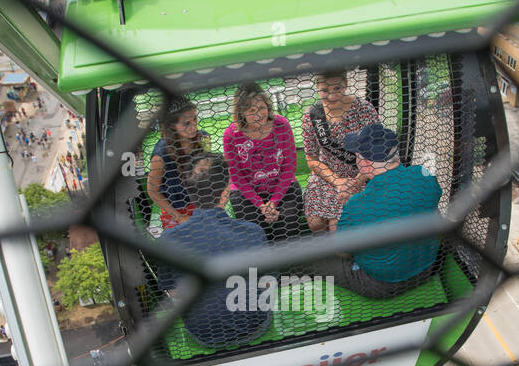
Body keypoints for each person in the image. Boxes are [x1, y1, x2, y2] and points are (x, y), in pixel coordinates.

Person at [154, 153, 272, 348]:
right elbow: (267, 284)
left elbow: (174, 293)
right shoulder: (253, 232)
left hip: (203, 333)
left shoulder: (169, 239)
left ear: (188, 191)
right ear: (227, 190)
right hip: (255, 326)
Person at [314, 124, 443, 298]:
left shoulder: (356, 205)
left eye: (357, 156)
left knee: (315, 261)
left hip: (382, 285)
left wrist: (345, 207)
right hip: (429, 267)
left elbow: (342, 251)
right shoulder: (424, 174)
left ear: (366, 164)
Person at [223, 83, 303, 242]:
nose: (258, 114)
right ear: (241, 113)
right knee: (254, 231)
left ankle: (283, 261)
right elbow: (236, 177)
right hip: (247, 193)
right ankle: (259, 265)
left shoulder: (281, 125)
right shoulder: (232, 134)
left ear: (268, 105)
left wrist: (273, 202)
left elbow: (289, 169)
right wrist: (261, 204)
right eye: (251, 111)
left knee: (288, 226)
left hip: (282, 188)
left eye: (261, 107)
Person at [301, 70, 378, 233]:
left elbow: (376, 153)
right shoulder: (312, 115)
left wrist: (354, 184)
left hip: (360, 175)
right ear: (317, 88)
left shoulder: (364, 110)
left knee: (339, 232)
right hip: (327, 175)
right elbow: (312, 159)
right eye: (325, 91)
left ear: (346, 84)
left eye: (337, 89)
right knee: (315, 225)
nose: (331, 96)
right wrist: (338, 182)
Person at [146, 98, 212, 229]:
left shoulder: (203, 138)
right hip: (176, 209)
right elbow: (153, 191)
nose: (194, 126)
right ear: (172, 125)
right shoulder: (161, 154)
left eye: (195, 119)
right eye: (186, 123)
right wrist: (179, 217)